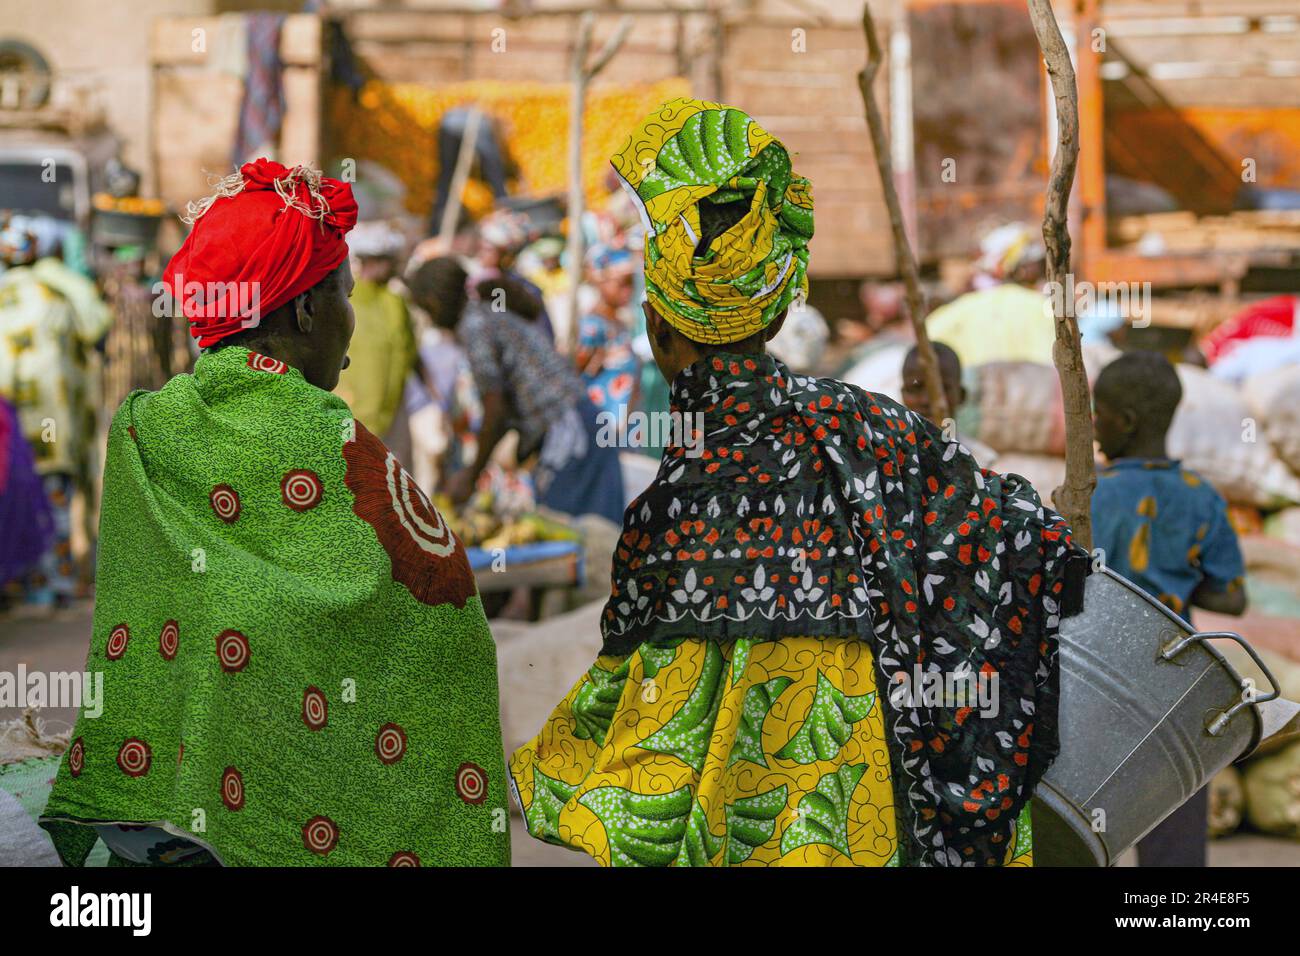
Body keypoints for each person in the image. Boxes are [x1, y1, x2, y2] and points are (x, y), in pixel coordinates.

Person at [510, 98, 1079, 867]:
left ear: (655, 332)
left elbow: (637, 732)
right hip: (868, 833)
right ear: (778, 319)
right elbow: (1022, 537)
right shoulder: (874, 429)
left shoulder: (669, 507)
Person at [40, 159, 510, 867]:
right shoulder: (337, 446)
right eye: (344, 297)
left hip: (150, 816)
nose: (351, 325)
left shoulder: (142, 427)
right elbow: (447, 625)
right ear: (306, 311)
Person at [1091, 350, 1247, 867]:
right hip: (1176, 678)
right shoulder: (1201, 496)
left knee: (1082, 819)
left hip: (1098, 675)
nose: (1093, 425)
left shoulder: (1089, 495)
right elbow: (1233, 597)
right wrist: (1178, 575)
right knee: (1174, 816)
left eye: (1099, 414)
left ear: (1126, 422)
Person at [408, 256, 625, 525]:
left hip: (569, 432)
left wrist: (470, 476)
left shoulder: (474, 325)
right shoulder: (487, 313)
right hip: (581, 422)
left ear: (434, 303)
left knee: (574, 533)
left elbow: (495, 408)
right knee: (598, 534)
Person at [0, 213, 112, 609]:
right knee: (54, 505)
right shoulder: (57, 294)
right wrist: (59, 274)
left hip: (9, 430)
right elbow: (97, 323)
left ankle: (26, 585)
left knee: (17, 506)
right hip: (54, 427)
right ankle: (57, 585)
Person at [332, 220, 417, 447]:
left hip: (390, 414)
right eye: (375, 260)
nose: (381, 267)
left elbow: (407, 351)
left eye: (385, 260)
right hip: (345, 411)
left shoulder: (396, 300)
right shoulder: (342, 297)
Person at [575, 243, 640, 435]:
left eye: (631, 283)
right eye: (622, 283)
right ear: (601, 282)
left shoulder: (620, 324)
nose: (628, 290)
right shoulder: (592, 328)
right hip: (601, 430)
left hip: (625, 429)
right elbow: (578, 376)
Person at [900, 341, 998, 467]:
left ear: (961, 396)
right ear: (903, 395)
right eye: (915, 388)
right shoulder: (889, 457)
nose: (925, 400)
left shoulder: (981, 462)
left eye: (940, 389)